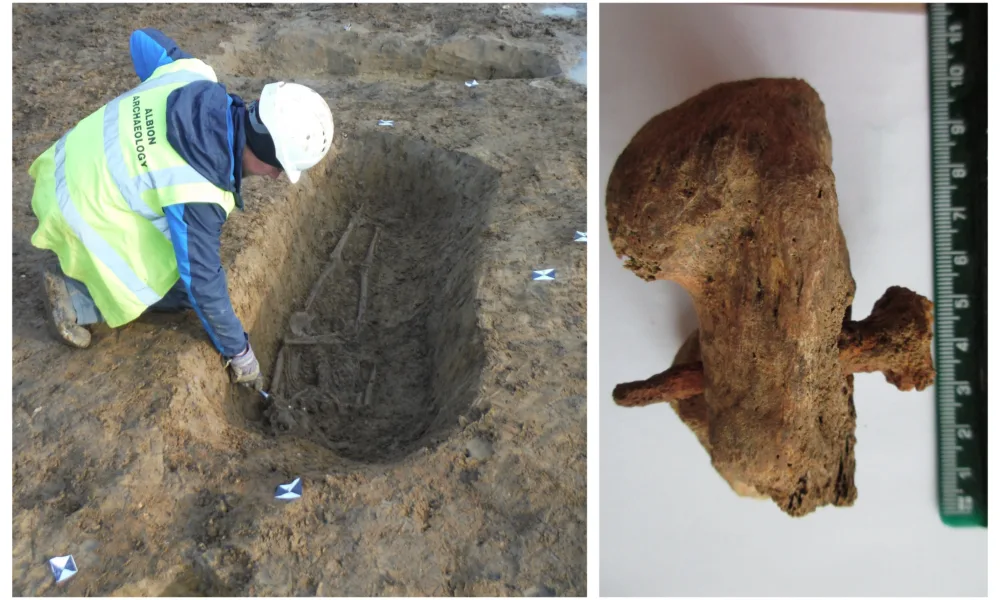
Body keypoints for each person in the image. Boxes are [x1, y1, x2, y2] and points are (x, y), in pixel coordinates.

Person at [27, 28, 335, 391]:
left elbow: (143, 39)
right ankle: (78, 298)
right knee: (181, 287)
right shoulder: (199, 190)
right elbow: (204, 284)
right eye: (280, 169)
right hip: (79, 219)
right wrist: (241, 354)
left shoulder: (190, 75)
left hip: (54, 175)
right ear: (269, 159)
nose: (276, 178)